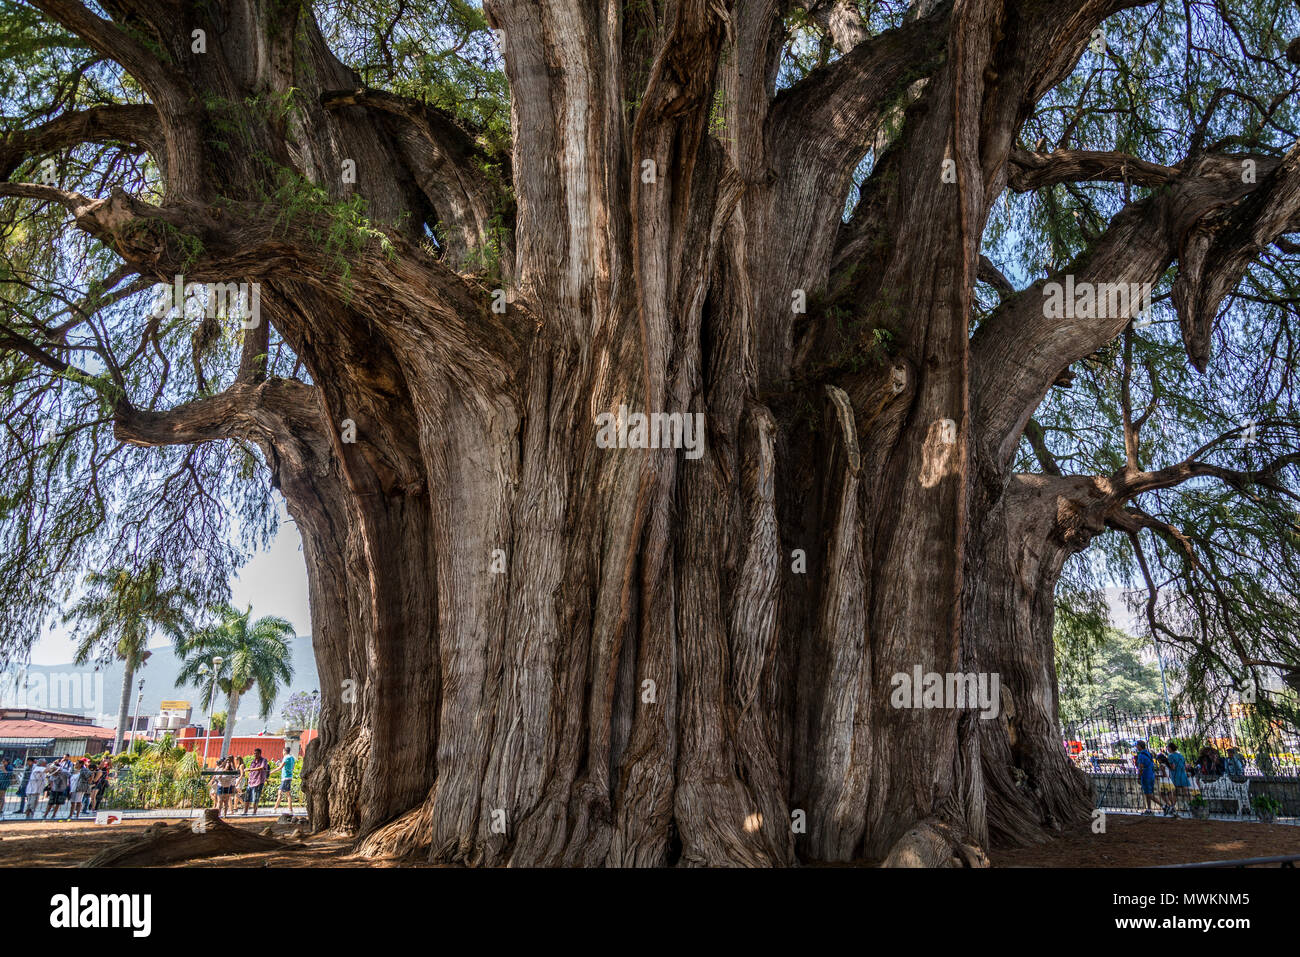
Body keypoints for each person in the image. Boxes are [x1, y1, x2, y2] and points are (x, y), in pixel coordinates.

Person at [1133, 741, 1159, 814]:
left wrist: (1138, 777)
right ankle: (1149, 809)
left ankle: (1164, 806)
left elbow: (1141, 767)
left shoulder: (1141, 755)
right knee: (1148, 792)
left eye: (1137, 745)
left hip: (1145, 776)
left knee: (1148, 794)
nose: (1136, 747)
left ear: (1140, 746)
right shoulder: (1148, 753)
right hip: (1151, 775)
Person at [243, 749, 269, 814]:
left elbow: (262, 767)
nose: (255, 755)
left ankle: (254, 812)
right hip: (251, 781)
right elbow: (251, 771)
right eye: (254, 753)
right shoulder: (253, 761)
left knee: (256, 797)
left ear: (260, 753)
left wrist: (250, 769)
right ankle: (245, 812)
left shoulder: (264, 760)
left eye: (256, 753)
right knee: (247, 797)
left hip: (259, 781)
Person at [1167, 742, 1191, 813]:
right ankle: (1192, 806)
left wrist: (1167, 765)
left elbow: (1173, 767)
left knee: (1175, 792)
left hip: (1176, 776)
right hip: (1183, 775)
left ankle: (1173, 807)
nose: (1167, 749)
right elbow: (1184, 766)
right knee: (1186, 792)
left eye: (1168, 747)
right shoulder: (1180, 755)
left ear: (1170, 748)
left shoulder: (1171, 756)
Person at [272, 749, 296, 814]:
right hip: (288, 777)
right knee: (285, 793)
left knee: (283, 794)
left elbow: (280, 767)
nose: (282, 753)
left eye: (282, 751)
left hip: (285, 778)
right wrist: (279, 764)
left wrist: (271, 772)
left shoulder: (286, 757)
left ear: (285, 751)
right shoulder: (292, 758)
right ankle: (289, 809)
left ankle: (275, 809)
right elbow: (292, 767)